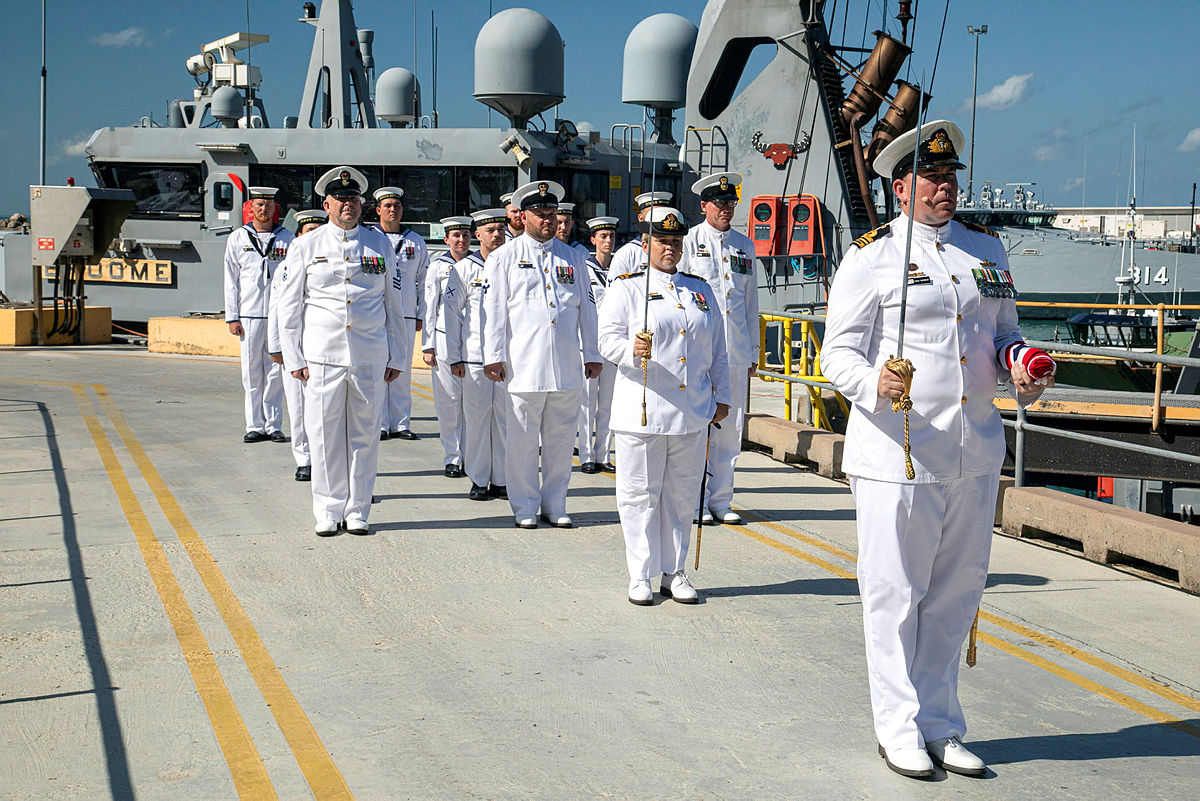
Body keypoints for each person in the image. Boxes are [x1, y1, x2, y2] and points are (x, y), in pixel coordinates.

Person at [821, 120, 1054, 779]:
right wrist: (872, 381)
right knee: (895, 593)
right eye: (931, 177)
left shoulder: (986, 251)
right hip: (898, 453)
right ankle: (897, 728)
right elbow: (835, 352)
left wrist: (1023, 367)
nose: (944, 188)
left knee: (956, 592)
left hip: (972, 451)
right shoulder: (871, 257)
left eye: (950, 177)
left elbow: (1002, 335)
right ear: (901, 187)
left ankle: (941, 723)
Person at [598, 206, 731, 605]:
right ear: (645, 244)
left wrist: (722, 395)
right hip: (644, 408)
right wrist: (629, 349)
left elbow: (718, 349)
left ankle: (675, 571)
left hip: (691, 410)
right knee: (640, 495)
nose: (670, 248)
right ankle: (640, 573)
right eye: (662, 241)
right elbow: (605, 340)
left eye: (675, 242)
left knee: (681, 495)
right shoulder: (626, 287)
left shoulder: (700, 289)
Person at [276, 166, 406, 536]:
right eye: (340, 199)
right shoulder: (306, 245)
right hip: (322, 355)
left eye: (353, 199)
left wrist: (397, 354)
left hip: (369, 354)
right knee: (324, 434)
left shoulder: (379, 243)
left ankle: (358, 510)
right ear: (326, 204)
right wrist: (294, 357)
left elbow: (391, 302)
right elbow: (290, 305)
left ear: (362, 204)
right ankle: (328, 510)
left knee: (365, 436)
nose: (347, 204)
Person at [482, 180, 602, 529]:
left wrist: (591, 353)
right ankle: (524, 505)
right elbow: (494, 310)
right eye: (540, 214)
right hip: (524, 366)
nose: (548, 220)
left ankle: (555, 503)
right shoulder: (505, 257)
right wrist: (493, 355)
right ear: (522, 216)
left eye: (552, 214)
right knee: (521, 441)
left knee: (561, 442)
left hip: (565, 365)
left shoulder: (574, 257)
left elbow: (587, 310)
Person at [683, 172, 760, 526]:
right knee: (699, 430)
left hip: (737, 352)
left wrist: (754, 352)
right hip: (701, 351)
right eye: (720, 203)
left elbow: (749, 303)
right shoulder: (688, 242)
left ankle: (720, 500)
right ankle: (694, 500)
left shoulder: (744, 246)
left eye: (731, 203)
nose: (726, 209)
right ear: (704, 206)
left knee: (730, 431)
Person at [444, 208, 510, 501]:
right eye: (490, 230)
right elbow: (452, 315)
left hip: (508, 358)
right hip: (474, 359)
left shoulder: (513, 264)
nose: (497, 235)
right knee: (478, 420)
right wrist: (454, 356)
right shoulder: (464, 270)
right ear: (478, 235)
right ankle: (479, 478)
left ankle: (503, 479)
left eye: (500, 229)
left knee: (507, 420)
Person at [224, 186, 293, 443]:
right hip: (250, 314)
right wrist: (232, 316)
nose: (263, 209)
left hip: (279, 315)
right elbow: (231, 279)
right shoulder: (238, 238)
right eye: (259, 205)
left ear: (276, 209)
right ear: (251, 208)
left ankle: (274, 424)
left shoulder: (288, 239)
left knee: (276, 372)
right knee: (251, 372)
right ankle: (254, 424)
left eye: (268, 205)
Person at [267, 208, 327, 481]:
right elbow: (277, 310)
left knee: (327, 410)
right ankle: (304, 458)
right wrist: (277, 347)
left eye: (318, 230)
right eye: (308, 231)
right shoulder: (285, 268)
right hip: (294, 347)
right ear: (299, 237)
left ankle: (326, 460)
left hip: (323, 347)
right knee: (299, 407)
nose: (314, 235)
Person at [371, 186, 427, 441]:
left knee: (402, 369)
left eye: (397, 206)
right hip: (377, 313)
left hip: (405, 313)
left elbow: (423, 281)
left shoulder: (415, 241)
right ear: (378, 210)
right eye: (388, 206)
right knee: (380, 367)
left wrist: (420, 313)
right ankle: (381, 422)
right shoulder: (370, 238)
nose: (393, 210)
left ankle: (401, 423)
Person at [422, 217, 471, 477]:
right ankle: (452, 456)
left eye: (465, 234)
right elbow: (429, 305)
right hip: (443, 339)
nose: (461, 240)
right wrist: (428, 345)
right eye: (456, 236)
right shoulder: (438, 267)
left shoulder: (478, 264)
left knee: (471, 403)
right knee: (449, 401)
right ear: (446, 239)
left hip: (471, 340)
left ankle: (470, 456)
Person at [577, 216, 620, 473]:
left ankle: (603, 454)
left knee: (608, 405)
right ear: (593, 240)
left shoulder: (620, 270)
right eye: (603, 237)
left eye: (611, 236)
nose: (608, 241)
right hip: (589, 344)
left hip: (612, 346)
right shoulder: (583, 268)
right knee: (586, 404)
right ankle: (586, 455)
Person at [605, 191, 671, 283]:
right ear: (641, 219)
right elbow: (614, 291)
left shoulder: (676, 249)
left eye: (662, 216)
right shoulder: (627, 254)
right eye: (653, 216)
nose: (658, 220)